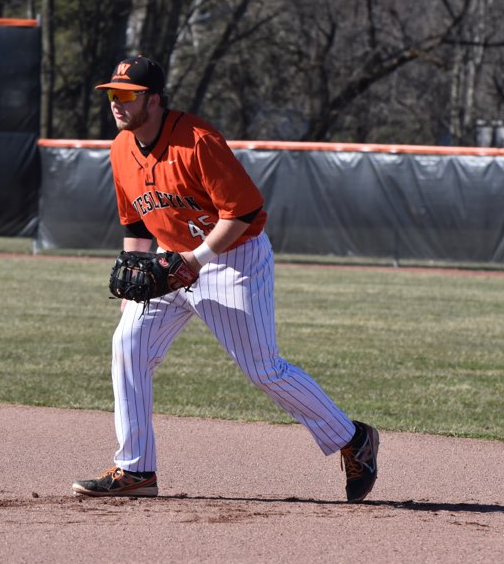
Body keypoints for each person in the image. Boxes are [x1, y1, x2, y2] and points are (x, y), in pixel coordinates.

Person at [71, 56, 379, 502]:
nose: (116, 104)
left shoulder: (197, 141)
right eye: (112, 95)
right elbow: (136, 223)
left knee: (263, 369)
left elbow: (246, 211)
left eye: (127, 95)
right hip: (169, 262)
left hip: (233, 258)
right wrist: (135, 278)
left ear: (154, 100)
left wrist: (197, 260)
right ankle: (136, 469)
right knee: (128, 345)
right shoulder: (121, 148)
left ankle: (354, 440)